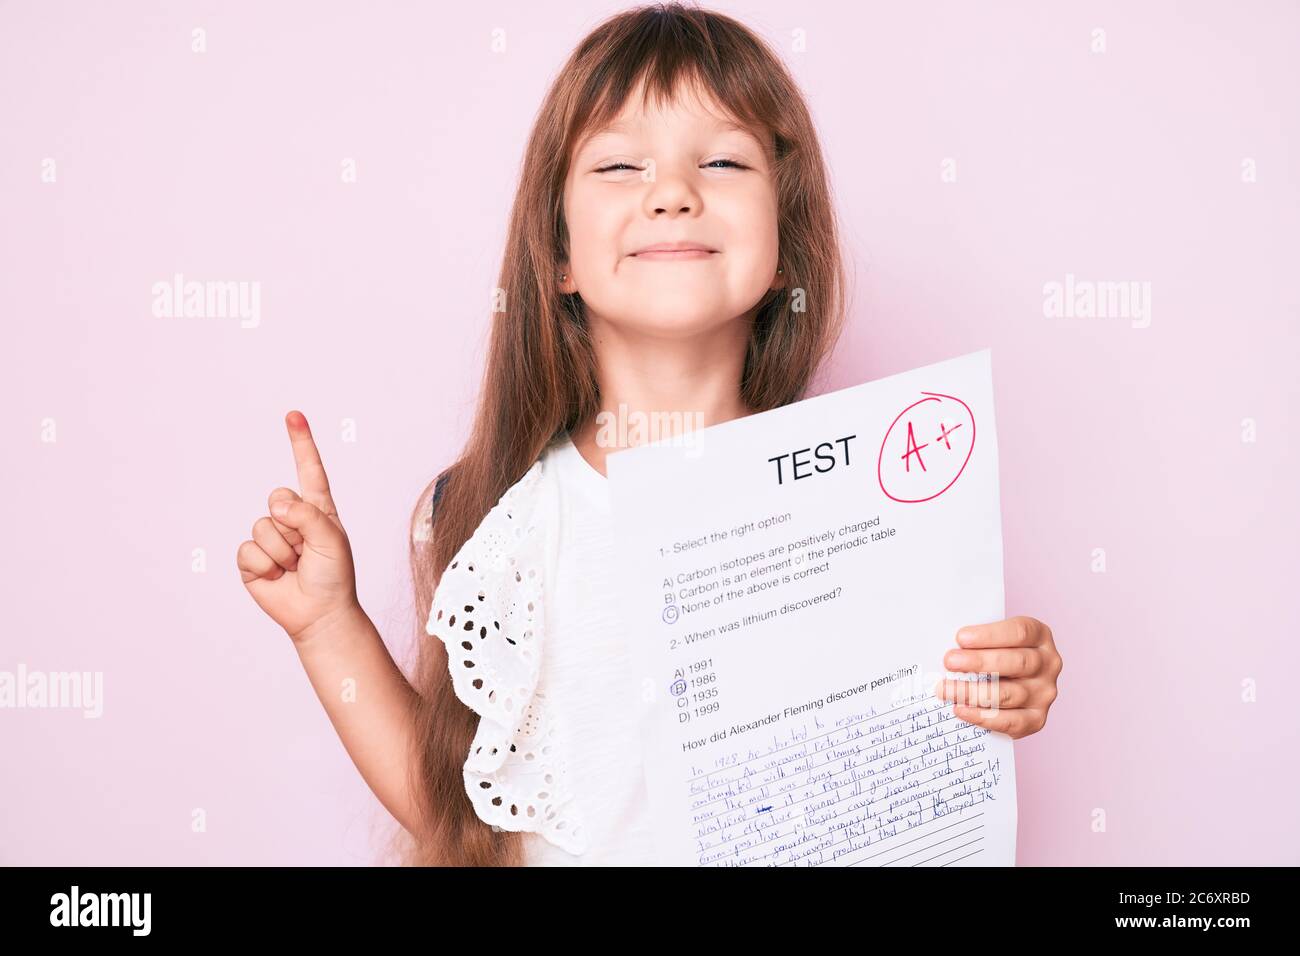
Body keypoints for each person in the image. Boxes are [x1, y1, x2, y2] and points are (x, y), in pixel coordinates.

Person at [236, 2, 1062, 867]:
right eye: (622, 164)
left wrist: (1006, 682)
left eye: (723, 159)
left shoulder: (859, 502)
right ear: (557, 256)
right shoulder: (510, 526)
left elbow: (918, 735)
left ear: (784, 249)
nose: (673, 191)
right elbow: (466, 812)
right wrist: (327, 626)